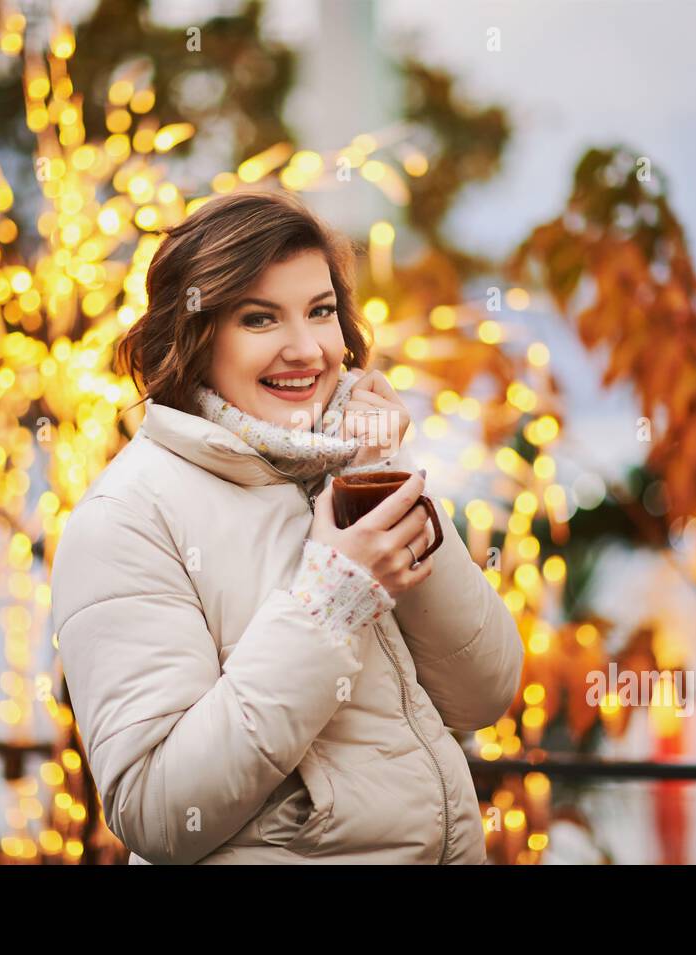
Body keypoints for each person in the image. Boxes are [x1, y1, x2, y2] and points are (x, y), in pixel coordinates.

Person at [50, 188, 523, 864]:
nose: (305, 349)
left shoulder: (348, 462)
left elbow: (484, 692)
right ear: (195, 335)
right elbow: (157, 812)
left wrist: (382, 475)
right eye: (260, 318)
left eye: (321, 311)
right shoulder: (127, 517)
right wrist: (330, 602)